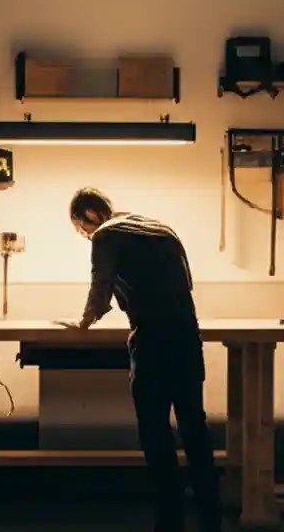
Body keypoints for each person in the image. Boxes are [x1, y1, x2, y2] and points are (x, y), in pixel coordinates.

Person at [61, 188, 222, 532]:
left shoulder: (105, 235)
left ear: (89, 215)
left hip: (152, 339)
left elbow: (100, 288)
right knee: (194, 425)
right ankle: (212, 517)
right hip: (187, 335)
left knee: (155, 430)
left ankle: (170, 520)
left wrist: (84, 322)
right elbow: (186, 283)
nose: (86, 235)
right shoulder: (160, 227)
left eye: (81, 229)